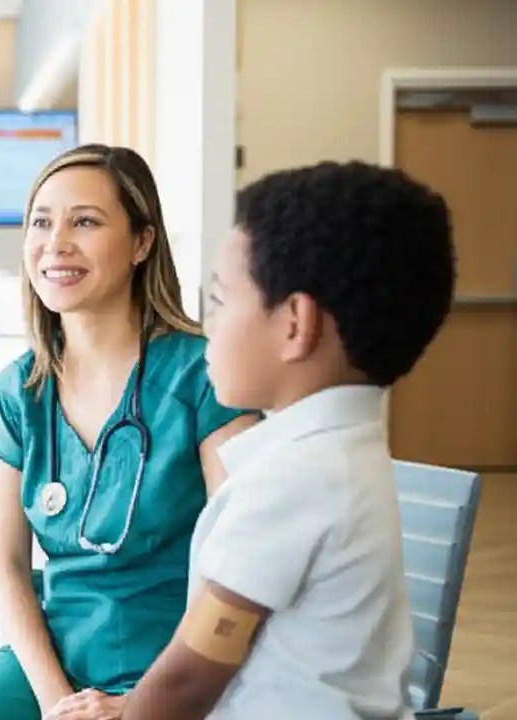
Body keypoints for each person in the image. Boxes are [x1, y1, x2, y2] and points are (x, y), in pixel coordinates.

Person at [0, 144, 257, 720]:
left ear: (142, 243)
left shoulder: (205, 377)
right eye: (41, 222)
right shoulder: (20, 390)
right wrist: (57, 703)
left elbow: (250, 567)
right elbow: (6, 563)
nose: (56, 243)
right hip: (59, 664)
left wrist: (140, 706)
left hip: (181, 672)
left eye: (86, 222)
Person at [123, 161, 456, 719]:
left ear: (295, 324)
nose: (208, 324)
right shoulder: (341, 453)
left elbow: (185, 682)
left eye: (221, 300)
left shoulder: (294, 480)